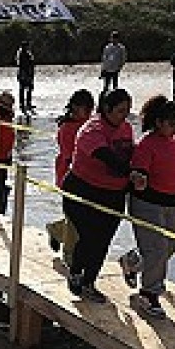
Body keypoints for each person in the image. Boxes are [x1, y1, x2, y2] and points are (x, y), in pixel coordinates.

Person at [118, 97, 175, 319]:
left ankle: (131, 262)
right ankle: (149, 294)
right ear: (159, 122)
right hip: (147, 203)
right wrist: (139, 179)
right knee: (156, 250)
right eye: (172, 124)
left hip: (171, 203)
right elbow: (138, 172)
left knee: (169, 246)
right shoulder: (146, 144)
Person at [63, 88, 134, 303]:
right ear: (106, 109)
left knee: (104, 240)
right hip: (83, 189)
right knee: (89, 237)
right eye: (121, 110)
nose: (125, 115)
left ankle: (90, 281)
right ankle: (76, 272)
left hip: (113, 193)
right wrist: (131, 173)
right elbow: (107, 157)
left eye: (128, 110)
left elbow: (131, 154)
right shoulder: (91, 130)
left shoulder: (126, 128)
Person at [48, 89, 96, 267]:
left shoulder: (90, 123)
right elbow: (70, 154)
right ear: (75, 107)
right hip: (70, 173)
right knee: (75, 215)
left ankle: (56, 230)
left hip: (88, 174)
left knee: (81, 216)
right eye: (86, 108)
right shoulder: (67, 127)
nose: (89, 112)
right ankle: (70, 255)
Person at [15, 40, 36, 114]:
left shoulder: (24, 54)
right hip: (24, 74)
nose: (28, 47)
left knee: (26, 89)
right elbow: (24, 66)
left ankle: (26, 104)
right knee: (25, 89)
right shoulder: (23, 54)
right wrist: (28, 75)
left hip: (25, 74)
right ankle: (25, 105)